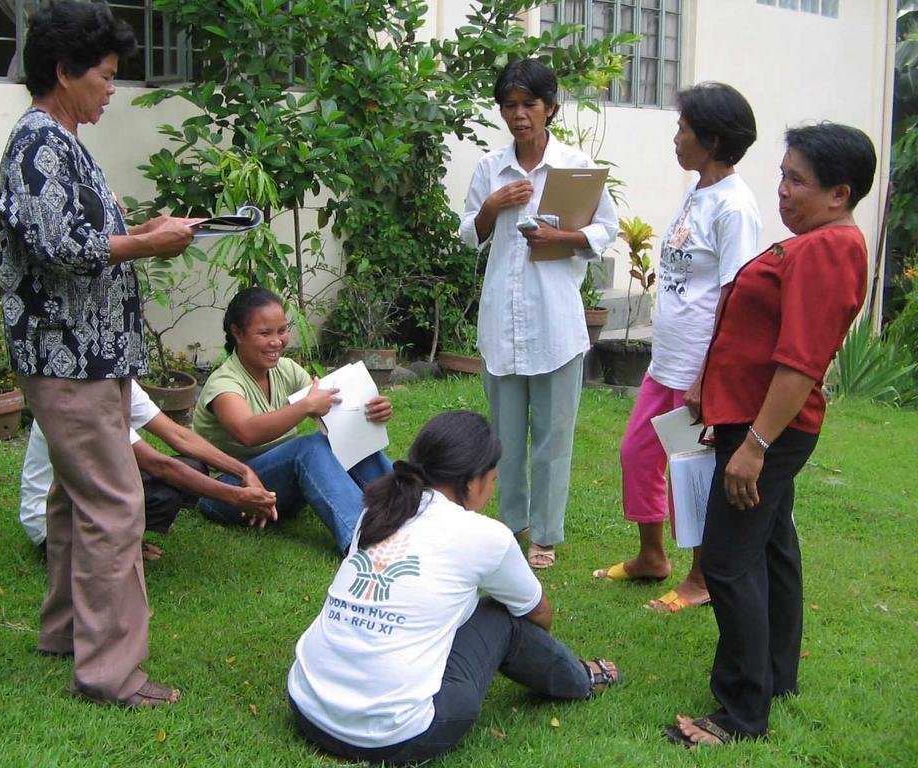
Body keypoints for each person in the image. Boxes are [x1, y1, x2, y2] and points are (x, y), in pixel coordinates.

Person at [0, 0, 200, 707]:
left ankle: (63, 632)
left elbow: (80, 236)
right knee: (116, 506)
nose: (113, 89)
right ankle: (112, 674)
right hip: (67, 357)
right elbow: (59, 249)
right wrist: (146, 243)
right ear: (64, 71)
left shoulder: (62, 140)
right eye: (106, 76)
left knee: (71, 499)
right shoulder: (39, 144)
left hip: (93, 354)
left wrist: (141, 229)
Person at [666, 123, 877, 747]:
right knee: (774, 547)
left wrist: (754, 446)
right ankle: (777, 676)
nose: (782, 191)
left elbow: (800, 362)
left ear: (839, 193)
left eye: (798, 181)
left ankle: (738, 713)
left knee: (730, 561)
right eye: (783, 175)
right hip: (750, 418)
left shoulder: (829, 250)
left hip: (770, 429)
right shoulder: (810, 241)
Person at [288, 411, 622, 763]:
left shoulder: (377, 512)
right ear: (474, 481)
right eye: (492, 480)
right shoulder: (485, 536)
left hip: (307, 706)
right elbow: (538, 614)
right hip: (395, 737)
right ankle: (580, 679)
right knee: (500, 616)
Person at [592, 83, 762, 612]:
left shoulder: (735, 208)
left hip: (700, 372)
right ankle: (652, 558)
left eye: (683, 129)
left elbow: (737, 300)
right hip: (665, 363)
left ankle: (701, 579)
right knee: (638, 455)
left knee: (694, 474)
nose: (676, 138)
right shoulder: (700, 190)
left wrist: (708, 377)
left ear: (711, 139)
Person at [459, 59, 619, 569]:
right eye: (510, 105)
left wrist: (562, 238)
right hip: (501, 326)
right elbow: (469, 235)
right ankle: (512, 526)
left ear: (550, 107)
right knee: (504, 437)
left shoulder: (574, 168)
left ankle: (545, 536)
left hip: (556, 325)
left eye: (530, 104)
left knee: (553, 437)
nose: (520, 114)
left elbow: (604, 230)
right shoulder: (491, 167)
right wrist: (493, 205)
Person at [191, 286, 393, 553]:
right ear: (237, 333)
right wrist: (305, 407)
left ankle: (408, 511)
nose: (277, 342)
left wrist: (372, 409)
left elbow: (334, 407)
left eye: (282, 331)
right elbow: (246, 432)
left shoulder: (285, 369)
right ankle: (366, 543)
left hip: (279, 487)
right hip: (230, 493)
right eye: (264, 333)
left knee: (338, 440)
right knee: (308, 448)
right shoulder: (225, 384)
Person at [18, 381, 277, 557]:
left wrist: (244, 472)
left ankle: (117, 540)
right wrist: (236, 497)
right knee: (167, 489)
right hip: (53, 529)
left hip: (87, 495)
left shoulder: (116, 380)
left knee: (192, 467)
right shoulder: (80, 397)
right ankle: (110, 546)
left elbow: (179, 436)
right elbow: (159, 466)